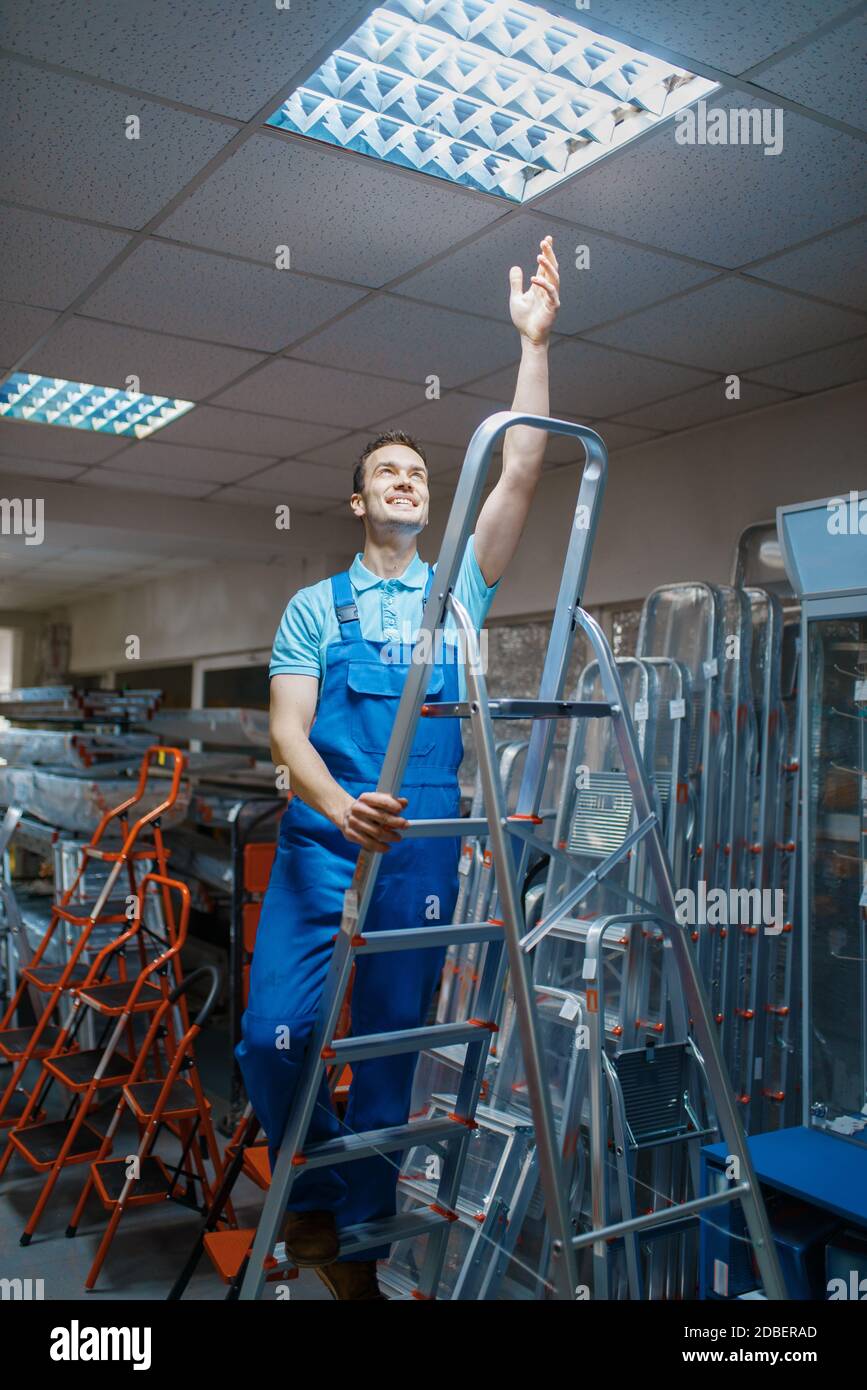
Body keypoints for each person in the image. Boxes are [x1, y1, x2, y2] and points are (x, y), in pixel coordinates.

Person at [237, 236, 561, 1300]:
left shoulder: (459, 588)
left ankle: (355, 1253)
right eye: (388, 471)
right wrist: (339, 807)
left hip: (420, 850)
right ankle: (322, 1195)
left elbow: (518, 462)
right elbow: (289, 734)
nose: (408, 480)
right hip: (322, 844)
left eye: (419, 472)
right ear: (358, 499)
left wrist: (533, 343)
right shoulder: (309, 609)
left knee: (386, 1066)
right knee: (271, 1038)